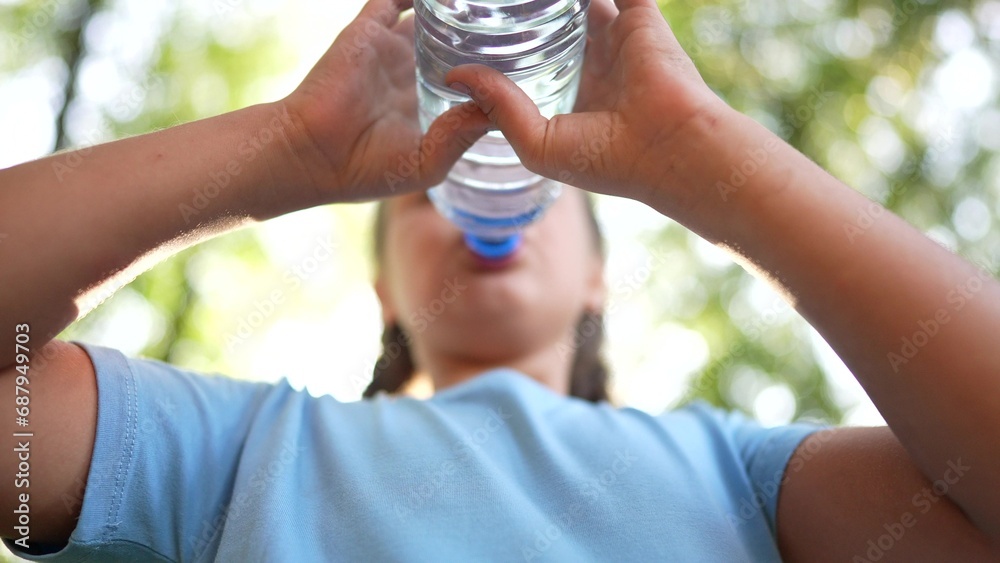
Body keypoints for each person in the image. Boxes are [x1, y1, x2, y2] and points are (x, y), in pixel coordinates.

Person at [0, 0, 996, 559]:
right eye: (416, 192)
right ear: (386, 290)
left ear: (598, 276)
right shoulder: (238, 449)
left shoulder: (750, 480)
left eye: (548, 176)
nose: (457, 193)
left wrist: (707, 160)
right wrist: (285, 147)